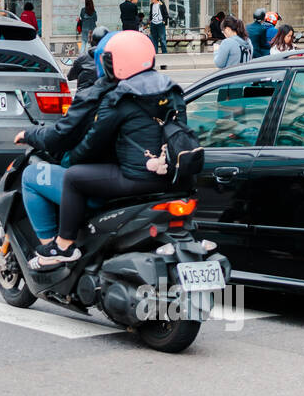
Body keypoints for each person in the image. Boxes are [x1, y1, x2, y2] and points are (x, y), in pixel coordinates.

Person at [26, 31, 187, 267]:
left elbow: (92, 143)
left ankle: (63, 246)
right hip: (173, 179)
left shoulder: (121, 97)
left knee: (72, 177)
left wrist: (71, 161)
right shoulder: (171, 91)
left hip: (136, 178)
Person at [66, 25, 108, 91]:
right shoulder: (113, 58)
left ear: (92, 41)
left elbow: (70, 76)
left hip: (84, 96)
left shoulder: (82, 58)